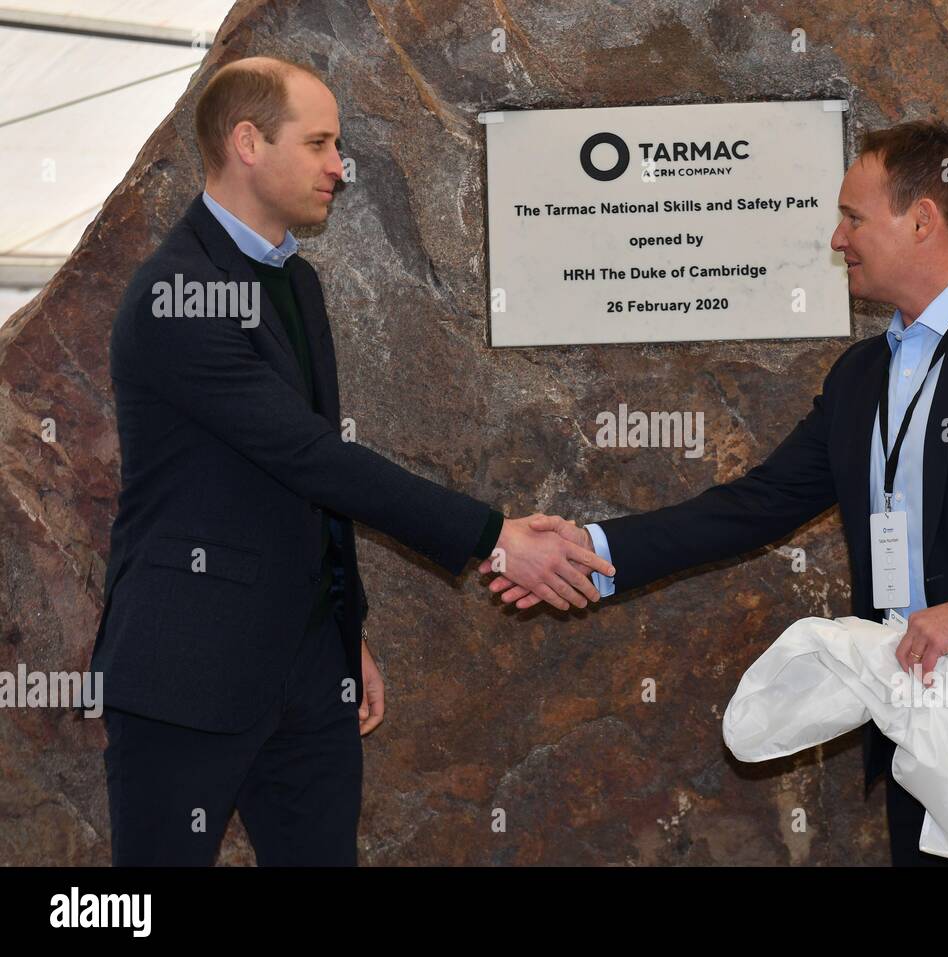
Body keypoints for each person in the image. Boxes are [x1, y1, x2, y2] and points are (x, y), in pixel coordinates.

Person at [488, 120, 948, 866]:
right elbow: (756, 503)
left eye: (854, 217)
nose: (836, 238)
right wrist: (594, 549)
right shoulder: (859, 378)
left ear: (922, 219)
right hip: (921, 749)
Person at [92, 56, 613, 866]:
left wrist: (345, 630)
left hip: (308, 676)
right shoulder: (174, 293)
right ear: (247, 143)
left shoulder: (296, 284)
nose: (341, 166)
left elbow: (311, 486)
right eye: (321, 143)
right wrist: (495, 535)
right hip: (185, 672)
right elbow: (311, 457)